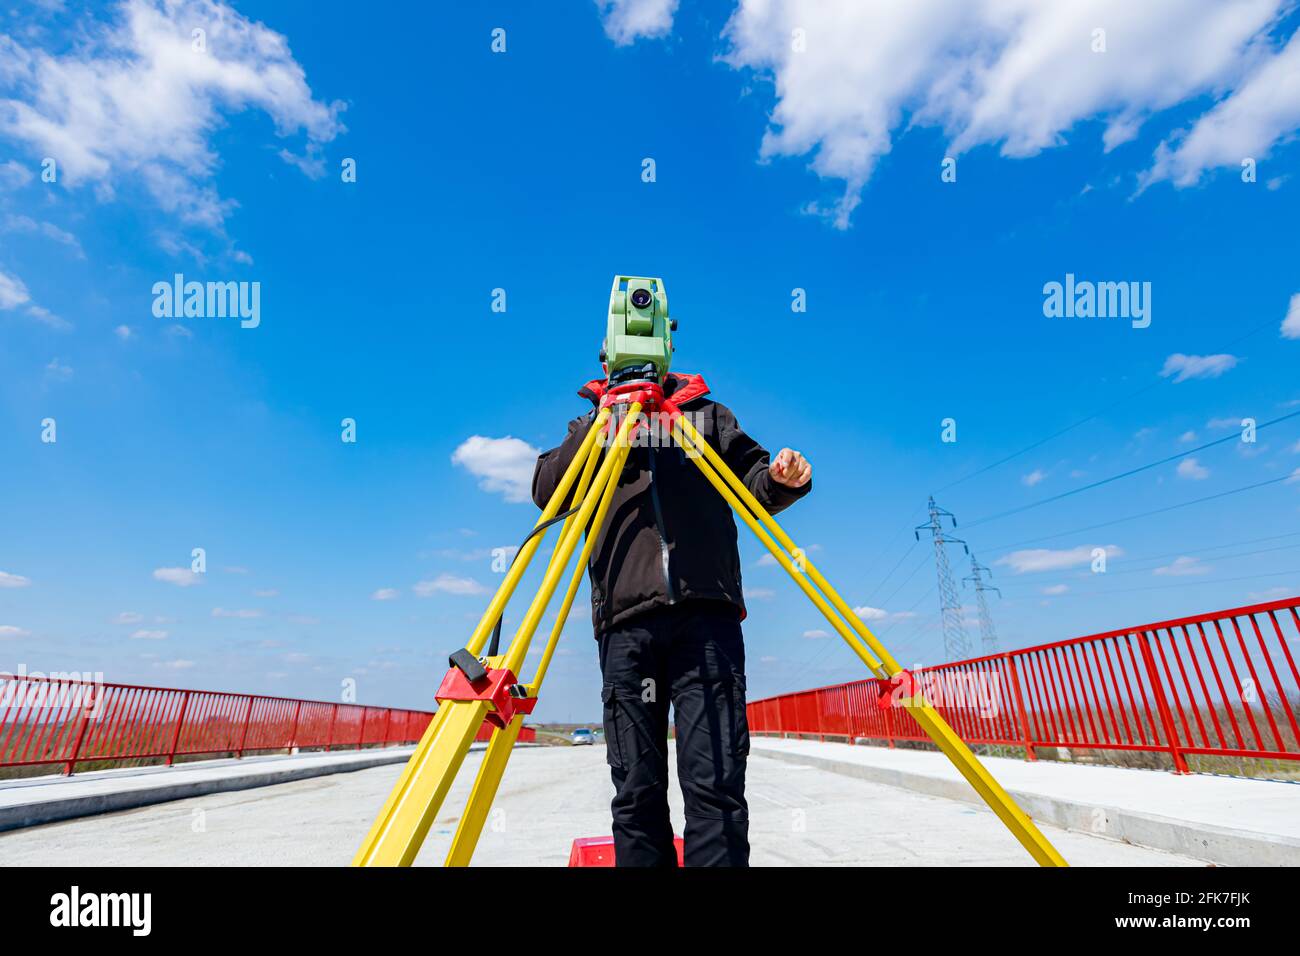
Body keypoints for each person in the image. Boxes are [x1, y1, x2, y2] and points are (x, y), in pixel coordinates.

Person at [531, 372, 812, 867]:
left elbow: (755, 483)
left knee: (717, 783)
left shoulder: (704, 415)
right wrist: (605, 416)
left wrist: (782, 480)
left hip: (707, 619)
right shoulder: (592, 422)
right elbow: (548, 489)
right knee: (636, 791)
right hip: (626, 625)